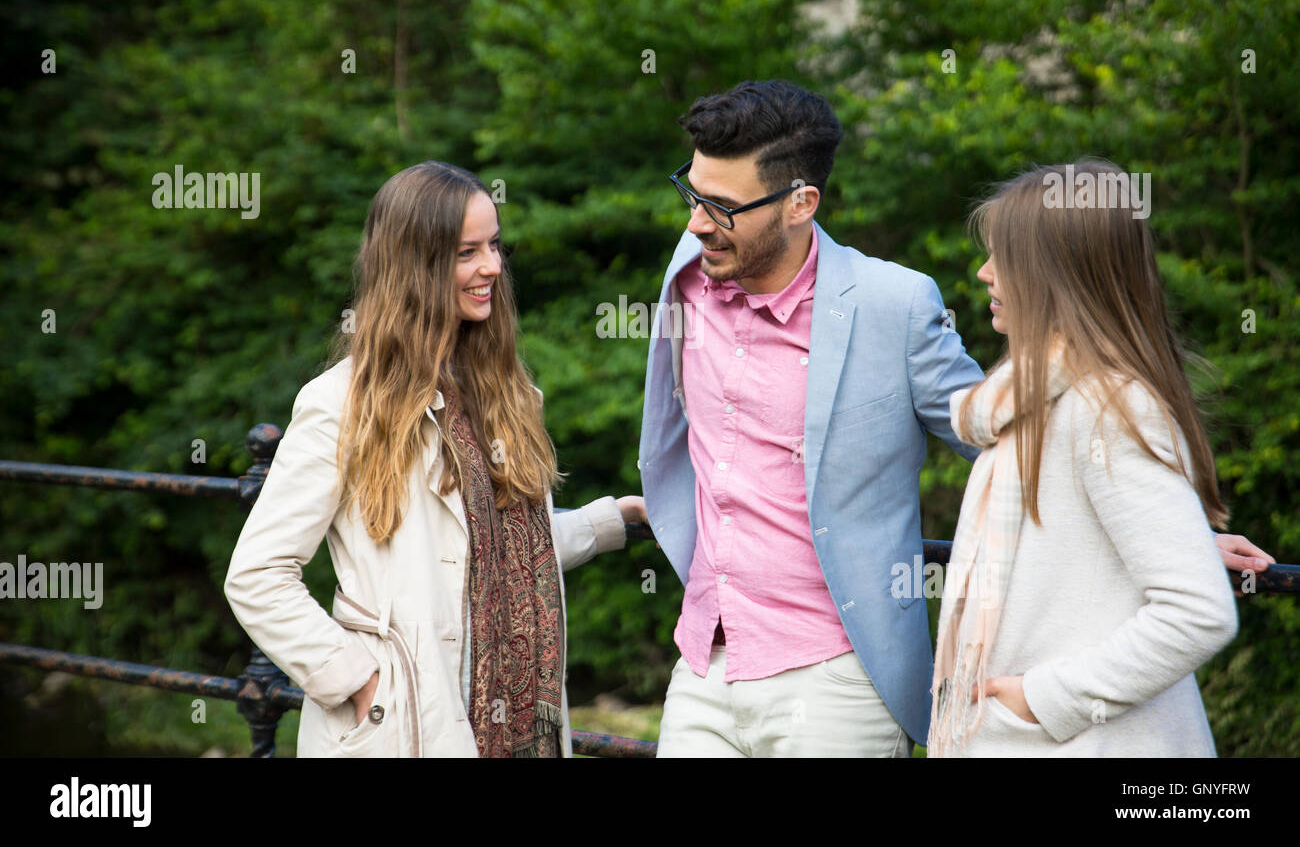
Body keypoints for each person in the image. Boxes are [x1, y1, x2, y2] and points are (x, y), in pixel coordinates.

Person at [638, 80, 1273, 757]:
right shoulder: (691, 271)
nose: (696, 222)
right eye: (692, 194)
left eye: (721, 207)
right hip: (704, 659)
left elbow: (1006, 435)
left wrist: (1170, 536)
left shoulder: (895, 304)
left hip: (837, 675)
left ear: (801, 203)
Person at [225, 160, 641, 757]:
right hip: (410, 730)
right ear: (415, 265)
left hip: (526, 736)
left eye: (494, 245)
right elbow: (258, 574)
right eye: (467, 251)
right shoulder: (342, 406)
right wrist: (357, 679)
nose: (493, 266)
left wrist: (609, 522)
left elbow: (499, 551)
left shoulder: (509, 396)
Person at [928, 161, 1248, 756]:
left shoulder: (1105, 406)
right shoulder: (1034, 401)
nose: (983, 273)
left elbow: (1200, 612)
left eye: (1003, 259)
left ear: (1057, 275)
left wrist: (1047, 698)